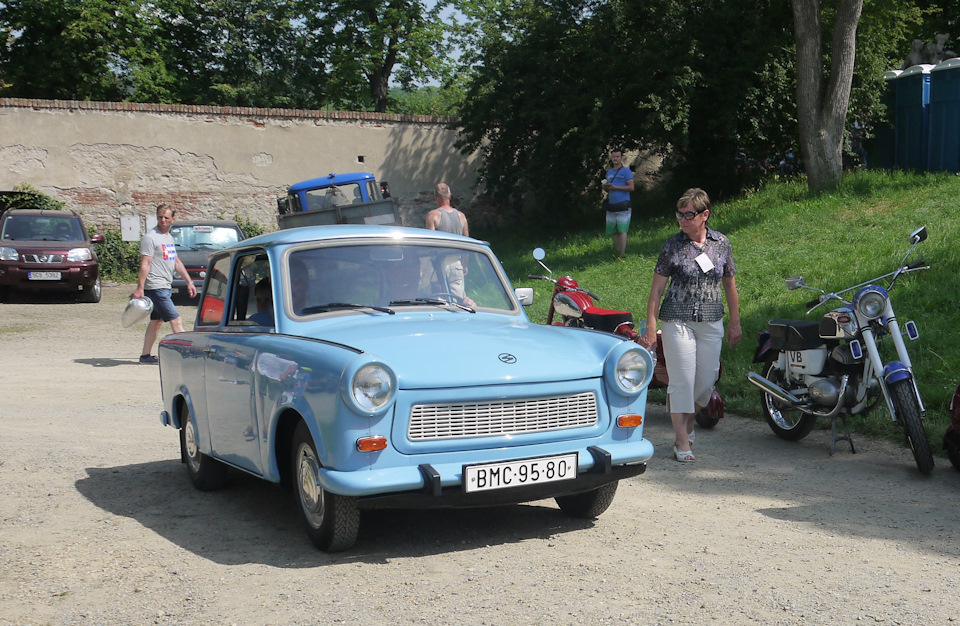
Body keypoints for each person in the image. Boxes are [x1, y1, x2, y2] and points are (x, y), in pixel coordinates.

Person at [638, 188, 741, 462]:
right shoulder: (672, 246)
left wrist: (735, 322)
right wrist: (651, 326)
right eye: (680, 214)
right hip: (676, 320)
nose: (683, 220)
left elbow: (729, 284)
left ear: (704, 215)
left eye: (689, 214)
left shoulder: (721, 244)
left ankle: (687, 421)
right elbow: (656, 291)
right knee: (682, 381)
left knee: (706, 383)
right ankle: (682, 441)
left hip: (711, 321)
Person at [133, 204, 197, 364]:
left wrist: (189, 281)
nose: (163, 220)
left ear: (173, 219)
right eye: (160, 217)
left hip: (165, 286)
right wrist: (140, 287)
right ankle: (187, 356)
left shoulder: (168, 238)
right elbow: (145, 263)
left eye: (166, 218)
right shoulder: (150, 237)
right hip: (155, 286)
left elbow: (175, 261)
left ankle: (145, 356)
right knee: (176, 320)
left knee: (156, 322)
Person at [602, 149, 635, 256]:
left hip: (623, 204)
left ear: (621, 158)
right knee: (614, 230)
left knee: (622, 229)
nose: (615, 159)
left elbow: (631, 187)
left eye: (617, 156)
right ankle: (616, 252)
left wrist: (616, 187)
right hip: (612, 204)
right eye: (613, 157)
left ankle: (622, 253)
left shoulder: (626, 171)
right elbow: (608, 189)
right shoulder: (609, 172)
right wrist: (605, 187)